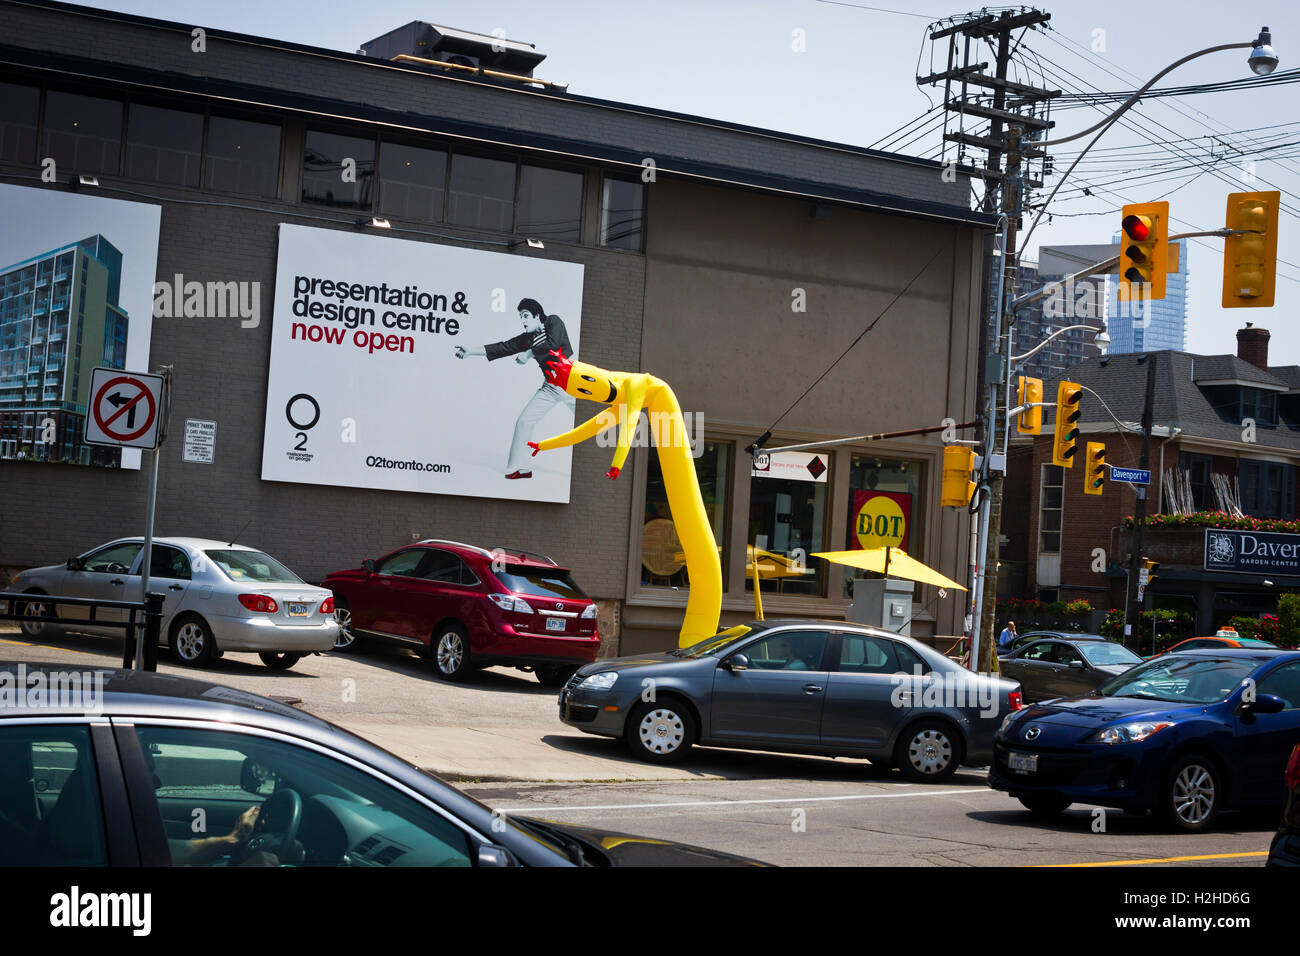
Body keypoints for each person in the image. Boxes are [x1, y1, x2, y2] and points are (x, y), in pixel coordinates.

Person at [455, 298, 575, 479]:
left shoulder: (553, 321)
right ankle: (520, 467)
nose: (523, 321)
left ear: (537, 315)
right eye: (521, 317)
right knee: (524, 422)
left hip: (574, 383)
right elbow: (504, 347)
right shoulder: (528, 338)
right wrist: (470, 351)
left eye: (526, 316)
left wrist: (528, 353)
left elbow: (554, 343)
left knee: (593, 420)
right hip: (550, 386)